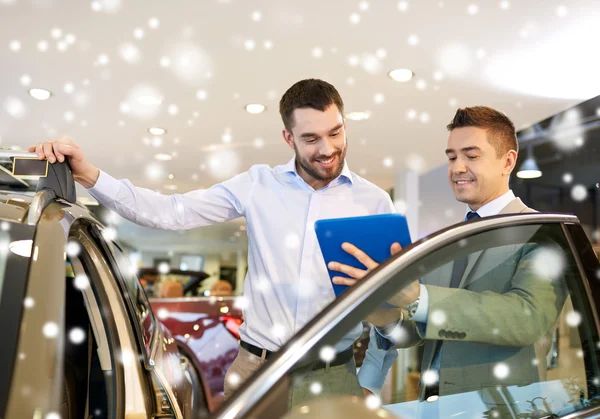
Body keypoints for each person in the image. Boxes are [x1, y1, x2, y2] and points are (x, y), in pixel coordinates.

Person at [30, 78, 397, 405]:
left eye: (335, 133)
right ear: (288, 138)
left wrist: (372, 380)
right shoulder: (258, 185)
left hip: (333, 376)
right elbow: (170, 212)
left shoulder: (374, 203)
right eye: (311, 138)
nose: (327, 148)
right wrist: (91, 175)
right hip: (257, 370)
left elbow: (392, 300)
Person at [329, 106, 567, 401]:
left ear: (508, 161)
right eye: (452, 157)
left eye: (471, 155)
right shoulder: (451, 240)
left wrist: (418, 298)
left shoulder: (543, 233)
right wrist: (381, 313)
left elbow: (527, 318)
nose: (457, 167)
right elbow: (421, 331)